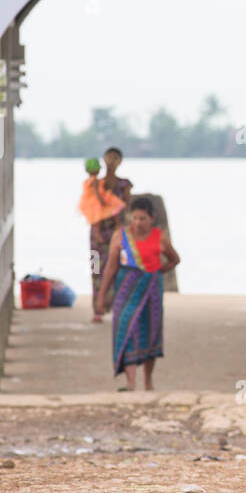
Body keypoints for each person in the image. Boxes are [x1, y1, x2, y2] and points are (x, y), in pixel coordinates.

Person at [94, 198, 180, 391]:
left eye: (143, 218)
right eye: (135, 218)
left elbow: (175, 259)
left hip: (151, 291)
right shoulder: (120, 236)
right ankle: (130, 383)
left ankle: (148, 381)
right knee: (126, 329)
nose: (138, 223)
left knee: (151, 333)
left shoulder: (160, 238)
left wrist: (158, 271)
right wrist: (101, 295)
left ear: (152, 218)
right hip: (126, 290)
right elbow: (110, 267)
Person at [87, 147, 132, 322]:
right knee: (96, 267)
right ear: (104, 159)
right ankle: (98, 308)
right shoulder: (95, 183)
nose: (112, 161)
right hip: (98, 230)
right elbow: (92, 206)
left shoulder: (124, 184)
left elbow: (126, 207)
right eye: (109, 157)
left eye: (115, 158)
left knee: (117, 268)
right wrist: (97, 229)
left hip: (117, 230)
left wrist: (120, 225)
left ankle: (116, 306)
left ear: (120, 161)